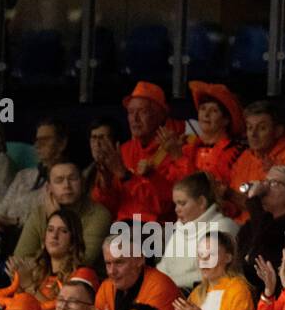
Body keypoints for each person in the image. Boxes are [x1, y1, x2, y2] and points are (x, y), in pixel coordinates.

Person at [89, 81, 185, 224]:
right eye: (131, 112)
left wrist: (126, 176)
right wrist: (106, 183)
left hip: (158, 230)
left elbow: (163, 206)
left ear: (160, 115)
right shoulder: (123, 150)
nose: (135, 118)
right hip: (124, 228)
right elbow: (108, 206)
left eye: (142, 111)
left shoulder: (176, 149)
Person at [94, 234, 186, 310]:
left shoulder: (159, 287)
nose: (112, 271)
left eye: (119, 263)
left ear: (139, 260)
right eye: (108, 264)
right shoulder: (107, 286)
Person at [0, 117, 69, 250]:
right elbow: (0, 209)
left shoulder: (67, 180)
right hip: (2, 235)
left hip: (34, 239)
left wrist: (15, 221)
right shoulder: (23, 175)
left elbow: (52, 219)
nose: (38, 145)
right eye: (37, 140)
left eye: (45, 140)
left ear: (62, 144)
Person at [5, 207, 87, 310]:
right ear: (44, 239)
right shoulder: (36, 271)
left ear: (73, 242)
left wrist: (29, 286)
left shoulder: (82, 275)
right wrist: (18, 287)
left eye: (63, 231)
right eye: (50, 230)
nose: (54, 236)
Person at [14, 161, 111, 268]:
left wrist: (56, 220)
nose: (66, 185)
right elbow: (18, 262)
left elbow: (81, 262)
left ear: (82, 183)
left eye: (72, 178)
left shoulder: (99, 215)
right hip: (39, 282)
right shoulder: (39, 214)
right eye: (59, 180)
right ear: (48, 188)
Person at [157, 171, 239, 291]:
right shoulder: (179, 230)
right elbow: (162, 268)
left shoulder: (223, 227)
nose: (176, 210)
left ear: (201, 202)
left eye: (182, 203)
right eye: (175, 204)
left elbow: (210, 274)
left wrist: (168, 284)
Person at [236, 165, 285, 294]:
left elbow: (266, 236)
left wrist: (254, 200)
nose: (265, 187)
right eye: (266, 181)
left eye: (274, 183)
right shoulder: (253, 224)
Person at [224, 101, 285, 209]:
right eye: (249, 128)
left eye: (262, 128)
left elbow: (271, 208)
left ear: (277, 131)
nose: (253, 134)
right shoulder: (244, 157)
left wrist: (230, 194)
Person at [174, 81, 246, 194]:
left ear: (226, 120)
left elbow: (203, 191)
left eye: (213, 110)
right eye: (202, 109)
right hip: (185, 210)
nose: (206, 114)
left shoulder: (237, 153)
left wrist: (178, 157)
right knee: (136, 213)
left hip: (222, 211)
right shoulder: (186, 148)